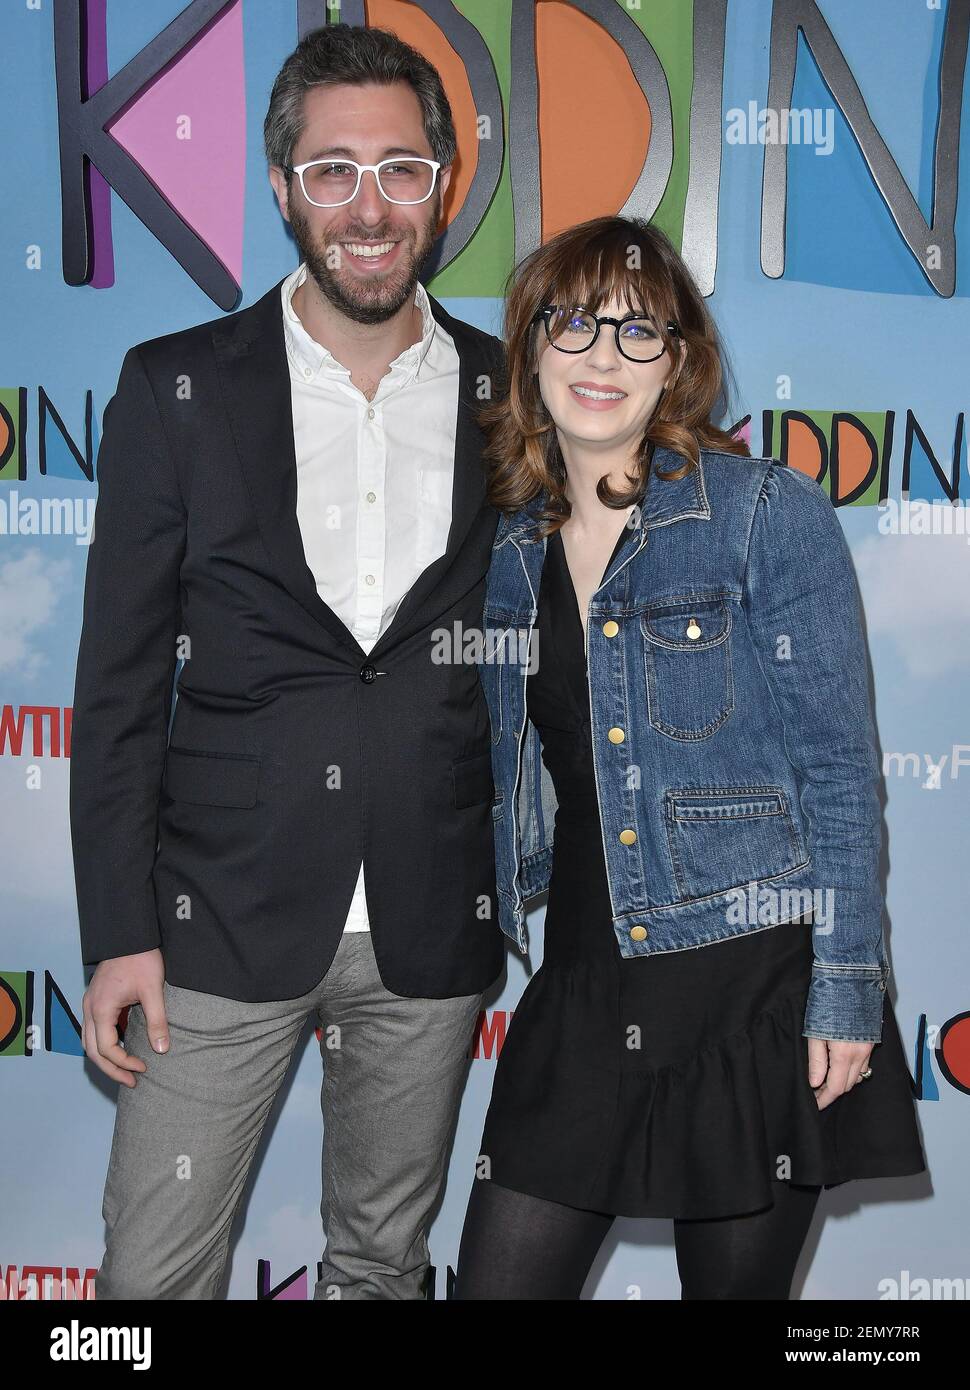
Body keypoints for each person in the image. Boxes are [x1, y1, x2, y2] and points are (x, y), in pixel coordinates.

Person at [70, 23, 505, 1300]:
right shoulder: (173, 388)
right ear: (281, 187)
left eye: (400, 169)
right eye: (332, 171)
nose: (368, 209)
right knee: (148, 1289)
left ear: (444, 182)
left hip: (430, 918)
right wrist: (119, 929)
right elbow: (118, 687)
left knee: (382, 1268)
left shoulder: (511, 391)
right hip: (214, 926)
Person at [454, 215, 927, 1300]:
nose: (602, 358)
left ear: (678, 362)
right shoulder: (508, 552)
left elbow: (840, 774)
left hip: (750, 986)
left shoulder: (764, 514)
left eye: (637, 332)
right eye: (573, 325)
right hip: (581, 982)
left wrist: (847, 992)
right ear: (528, 350)